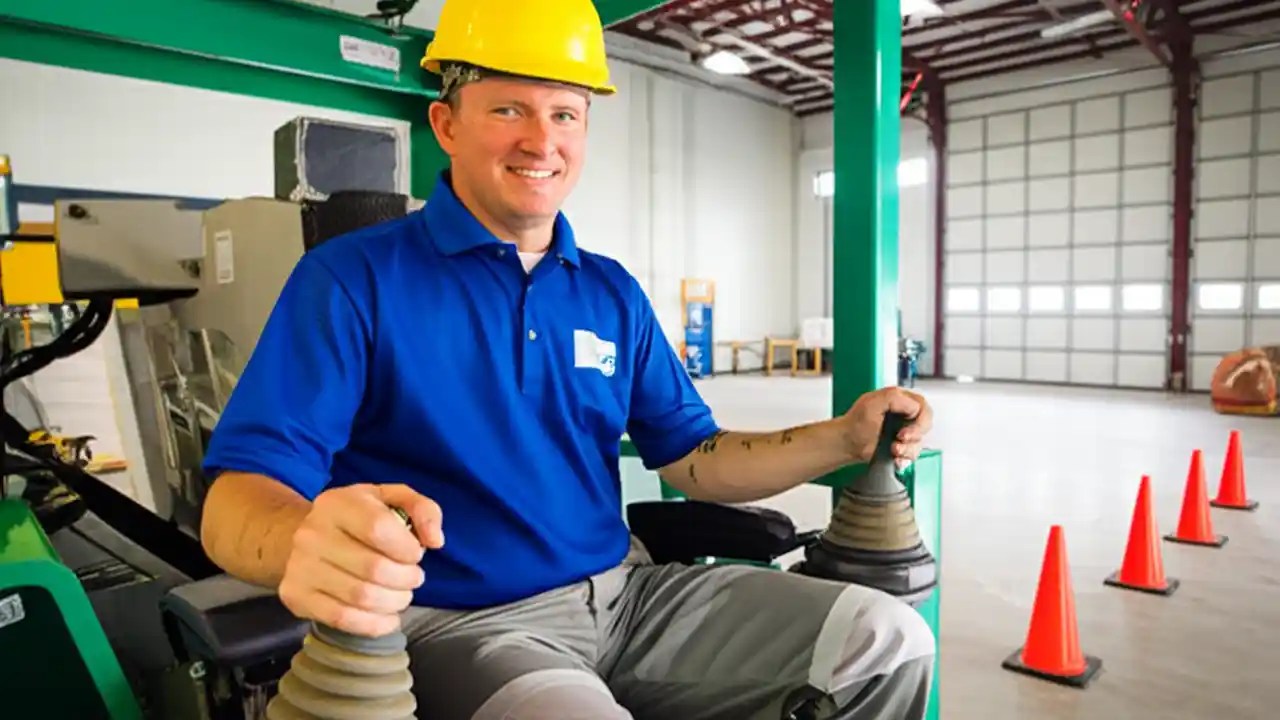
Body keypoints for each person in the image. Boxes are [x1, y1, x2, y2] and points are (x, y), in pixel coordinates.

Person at [198, 0, 937, 717]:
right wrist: (310, 542)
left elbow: (696, 459)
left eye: (564, 114)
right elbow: (237, 499)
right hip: (468, 624)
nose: (540, 141)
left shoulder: (611, 291)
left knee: (887, 642)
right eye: (508, 109)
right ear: (446, 124)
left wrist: (842, 437)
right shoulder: (353, 280)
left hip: (629, 596)